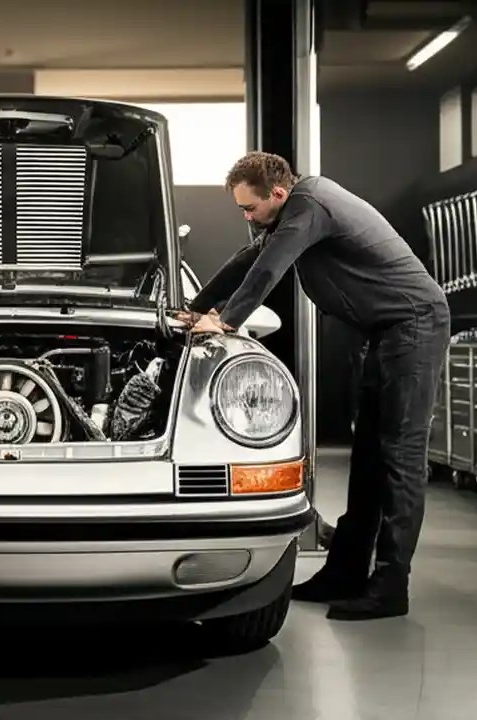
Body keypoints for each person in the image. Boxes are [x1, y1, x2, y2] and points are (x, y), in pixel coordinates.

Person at [177, 151, 450, 621]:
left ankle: (390, 586)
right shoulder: (293, 210)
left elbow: (270, 269)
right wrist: (192, 306)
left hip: (415, 326)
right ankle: (344, 571)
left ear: (278, 194)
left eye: (249, 208)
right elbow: (250, 257)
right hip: (385, 333)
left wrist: (224, 322)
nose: (246, 217)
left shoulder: (311, 203)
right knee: (367, 457)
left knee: (399, 459)